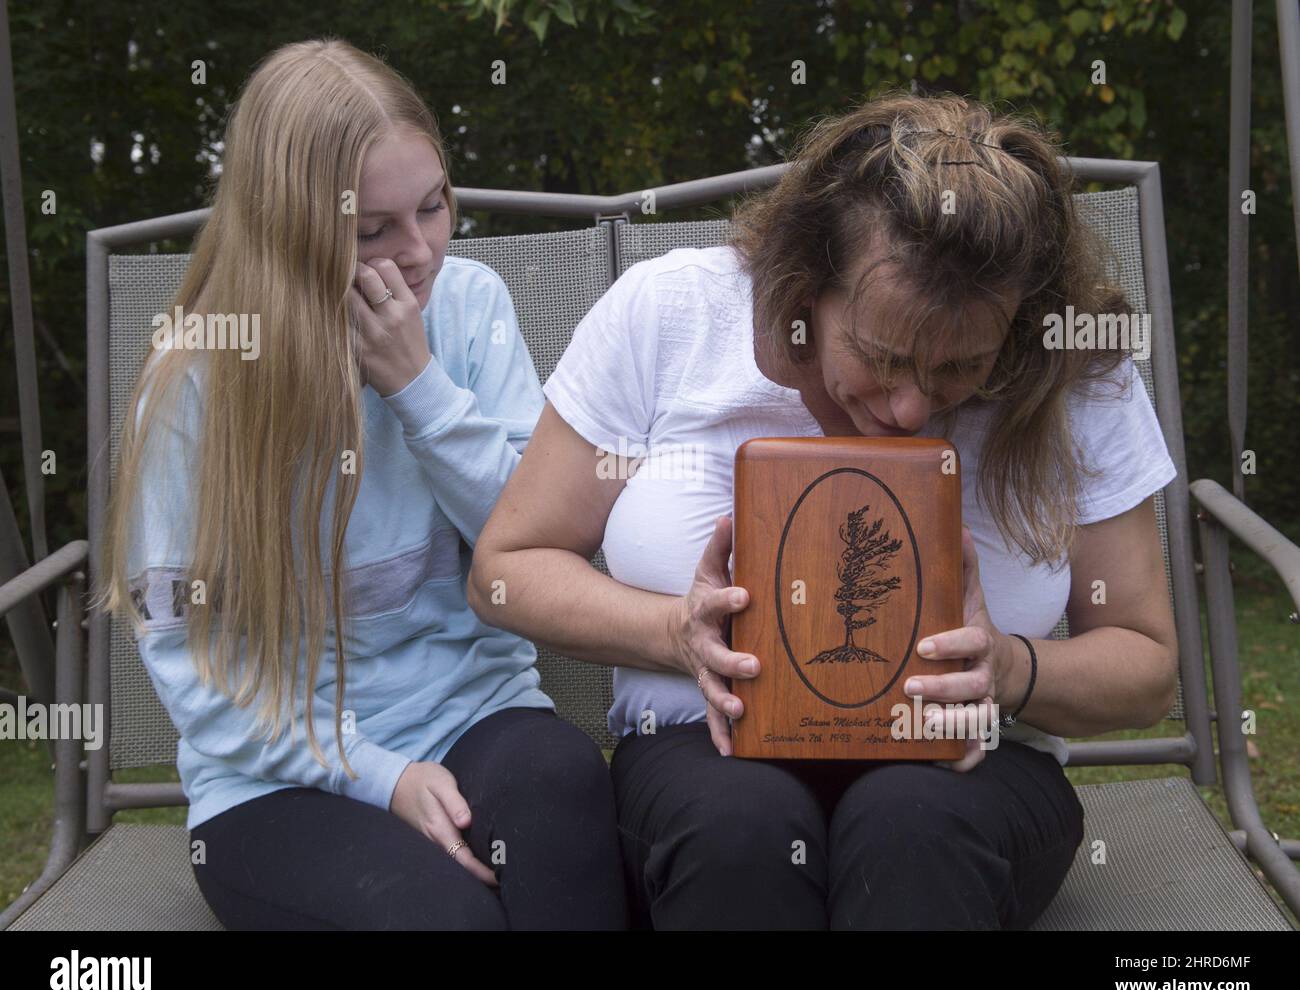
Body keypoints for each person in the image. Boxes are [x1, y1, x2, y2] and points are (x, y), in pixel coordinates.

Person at [468, 89, 1180, 930]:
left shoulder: (1072, 370)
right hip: (706, 749)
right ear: (803, 288)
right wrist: (675, 632)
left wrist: (1014, 670)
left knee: (910, 829)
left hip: (970, 774)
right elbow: (505, 570)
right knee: (741, 833)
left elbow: (1145, 661)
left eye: (962, 367)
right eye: (882, 357)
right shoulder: (671, 312)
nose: (912, 408)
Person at [95, 38, 627, 931]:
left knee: (565, 799)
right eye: (373, 231)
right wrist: (379, 778)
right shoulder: (196, 385)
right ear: (286, 231)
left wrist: (422, 394)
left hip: (478, 716)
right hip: (278, 777)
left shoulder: (470, 307)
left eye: (432, 208)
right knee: (447, 921)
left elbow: (539, 545)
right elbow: (197, 670)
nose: (419, 253)